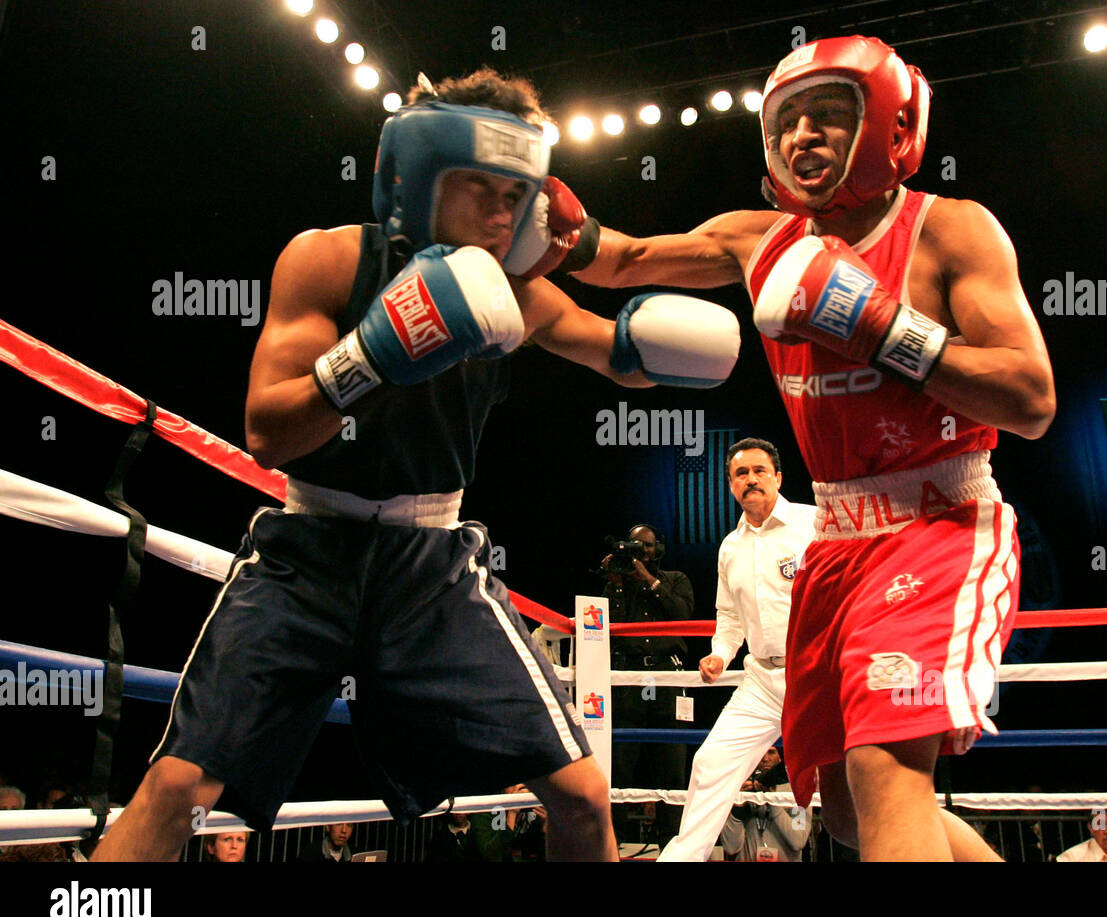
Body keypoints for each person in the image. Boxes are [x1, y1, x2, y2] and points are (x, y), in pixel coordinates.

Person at [92, 67, 740, 863]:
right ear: (420, 177)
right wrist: (373, 353)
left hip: (432, 564)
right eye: (481, 189)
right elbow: (267, 432)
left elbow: (615, 353)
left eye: (516, 195)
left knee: (580, 794)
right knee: (175, 784)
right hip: (308, 549)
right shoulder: (327, 261)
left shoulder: (519, 293)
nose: (503, 216)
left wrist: (654, 348)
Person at [574, 35, 1054, 860]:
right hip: (837, 538)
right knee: (845, 807)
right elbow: (619, 258)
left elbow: (1031, 398)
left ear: (892, 126)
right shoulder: (759, 240)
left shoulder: (951, 231)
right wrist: (529, 217)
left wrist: (879, 328)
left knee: (884, 768)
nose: (802, 135)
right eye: (786, 119)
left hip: (938, 517)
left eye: (829, 113)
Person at [658, 437, 816, 861]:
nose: (751, 480)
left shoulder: (814, 524)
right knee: (710, 763)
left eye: (759, 471)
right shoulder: (730, 546)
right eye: (740, 474)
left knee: (853, 787)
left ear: (778, 477)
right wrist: (719, 655)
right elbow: (729, 619)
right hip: (762, 680)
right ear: (730, 485)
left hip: (819, 676)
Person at [602, 522, 694, 845]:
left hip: (668, 679)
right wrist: (614, 582)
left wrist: (649, 581)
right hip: (628, 679)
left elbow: (683, 615)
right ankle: (618, 843)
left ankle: (673, 844)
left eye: (648, 546)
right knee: (621, 766)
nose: (642, 552)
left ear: (659, 549)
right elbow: (604, 626)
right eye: (635, 547)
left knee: (672, 768)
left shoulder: (675, 580)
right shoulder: (619, 585)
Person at [719, 746, 809, 861]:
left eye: (771, 752)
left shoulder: (798, 791)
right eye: (761, 752)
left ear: (780, 758)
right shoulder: (739, 790)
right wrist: (738, 809)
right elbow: (731, 848)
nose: (765, 759)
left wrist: (771, 800)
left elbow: (798, 841)